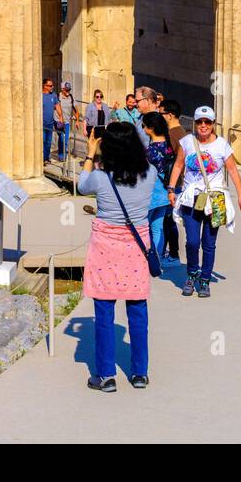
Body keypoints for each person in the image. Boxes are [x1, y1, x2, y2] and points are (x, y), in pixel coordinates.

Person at [78, 122, 158, 391]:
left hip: (106, 247)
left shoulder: (100, 177)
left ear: (106, 146)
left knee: (104, 311)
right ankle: (139, 373)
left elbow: (81, 185)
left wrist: (91, 153)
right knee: (137, 311)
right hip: (136, 247)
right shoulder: (151, 173)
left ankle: (106, 375)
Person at [169, 105, 241, 299]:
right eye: (199, 122)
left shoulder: (222, 145)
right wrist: (171, 189)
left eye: (207, 122)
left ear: (213, 124)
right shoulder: (187, 141)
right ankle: (192, 274)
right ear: (195, 123)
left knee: (209, 243)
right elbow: (179, 164)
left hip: (216, 198)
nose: (203, 126)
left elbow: (232, 171)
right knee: (192, 242)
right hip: (191, 198)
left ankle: (204, 280)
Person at [141, 111, 178, 264]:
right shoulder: (169, 147)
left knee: (145, 228)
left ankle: (145, 259)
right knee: (158, 228)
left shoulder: (150, 151)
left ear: (150, 128)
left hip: (150, 193)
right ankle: (157, 259)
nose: (142, 129)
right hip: (165, 192)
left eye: (143, 126)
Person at [158, 99, 187, 259]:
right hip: (175, 182)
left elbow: (180, 161)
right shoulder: (180, 131)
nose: (160, 116)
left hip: (172, 183)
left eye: (161, 113)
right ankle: (172, 252)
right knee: (169, 219)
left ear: (169, 115)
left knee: (168, 219)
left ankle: (172, 253)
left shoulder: (173, 133)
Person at [54, 82, 77, 162]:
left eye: (69, 90)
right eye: (66, 90)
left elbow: (75, 109)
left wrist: (77, 120)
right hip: (58, 121)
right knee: (62, 138)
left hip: (67, 122)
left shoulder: (71, 97)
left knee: (65, 139)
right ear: (62, 89)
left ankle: (63, 154)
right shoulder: (58, 97)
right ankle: (61, 155)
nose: (68, 91)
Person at [41, 78, 58, 162]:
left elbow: (57, 106)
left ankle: (46, 158)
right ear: (45, 86)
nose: (52, 87)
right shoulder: (40, 96)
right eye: (50, 86)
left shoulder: (53, 95)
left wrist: (61, 117)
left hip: (50, 123)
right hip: (42, 124)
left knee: (48, 142)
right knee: (43, 141)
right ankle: (42, 158)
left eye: (52, 85)